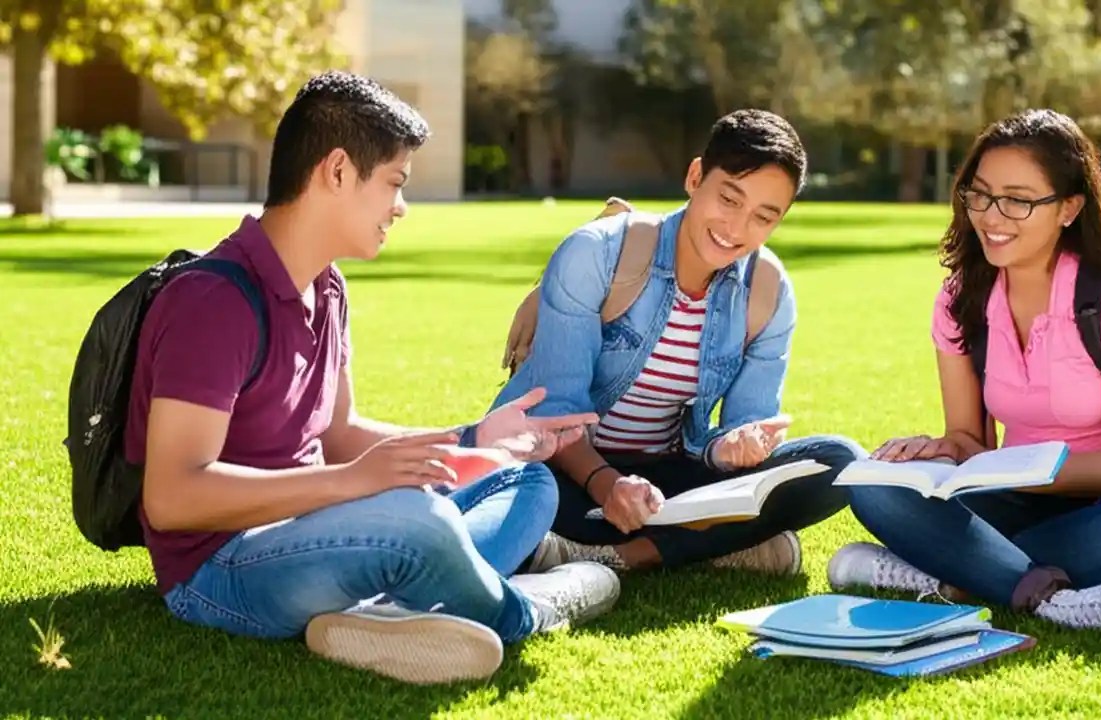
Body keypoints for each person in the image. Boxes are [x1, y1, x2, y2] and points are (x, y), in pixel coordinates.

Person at [123, 71, 619, 686]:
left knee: (525, 481)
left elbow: (339, 434)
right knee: (419, 524)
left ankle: (388, 614)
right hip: (221, 567)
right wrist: (351, 484)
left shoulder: (327, 286)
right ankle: (530, 609)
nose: (400, 206)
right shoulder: (212, 301)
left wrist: (474, 440)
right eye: (395, 182)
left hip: (317, 527)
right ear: (337, 171)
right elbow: (172, 498)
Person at [828, 108, 1101, 634]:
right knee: (873, 485)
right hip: (1012, 500)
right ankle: (1046, 596)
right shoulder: (961, 299)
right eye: (979, 195)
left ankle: (953, 572)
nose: (991, 216)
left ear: (1069, 208)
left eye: (1018, 200)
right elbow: (968, 440)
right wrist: (940, 450)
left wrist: (1033, 471)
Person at [491, 109, 863, 576]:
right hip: (568, 468)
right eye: (728, 199)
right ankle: (715, 545)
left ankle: (618, 556)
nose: (736, 229)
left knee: (838, 462)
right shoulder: (596, 253)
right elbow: (555, 413)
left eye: (763, 217)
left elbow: (740, 428)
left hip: (665, 478)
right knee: (520, 489)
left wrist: (733, 446)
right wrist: (609, 486)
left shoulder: (767, 291)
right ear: (695, 177)